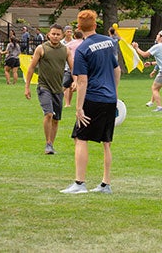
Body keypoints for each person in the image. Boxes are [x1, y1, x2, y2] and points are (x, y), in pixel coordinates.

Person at [62, 10, 122, 194]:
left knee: (80, 138)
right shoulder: (109, 42)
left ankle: (80, 184)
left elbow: (82, 80)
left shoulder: (82, 48)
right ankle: (106, 184)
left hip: (92, 98)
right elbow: (117, 70)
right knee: (106, 142)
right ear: (95, 24)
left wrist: (79, 107)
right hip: (110, 99)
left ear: (78, 28)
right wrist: (114, 92)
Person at [25, 28, 73, 155]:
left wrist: (76, 81)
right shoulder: (41, 49)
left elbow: (74, 69)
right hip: (44, 87)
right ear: (48, 35)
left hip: (58, 89)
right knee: (49, 114)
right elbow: (31, 68)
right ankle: (48, 144)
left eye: (58, 34)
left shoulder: (66, 50)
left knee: (56, 119)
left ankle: (51, 144)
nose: (55, 36)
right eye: (53, 34)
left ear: (62, 35)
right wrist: (27, 87)